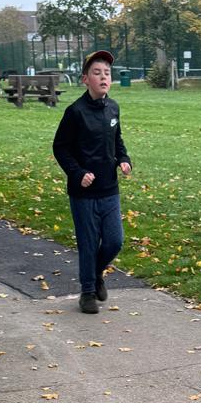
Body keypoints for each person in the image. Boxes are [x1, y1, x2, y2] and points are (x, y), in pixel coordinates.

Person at [52, 50, 132, 315]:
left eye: (107, 73)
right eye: (97, 73)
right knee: (88, 243)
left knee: (114, 241)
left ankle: (96, 273)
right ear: (86, 79)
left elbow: (117, 140)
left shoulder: (114, 108)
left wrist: (124, 159)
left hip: (109, 189)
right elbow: (60, 148)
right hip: (83, 193)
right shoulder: (75, 112)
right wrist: (77, 173)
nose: (103, 77)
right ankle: (87, 292)